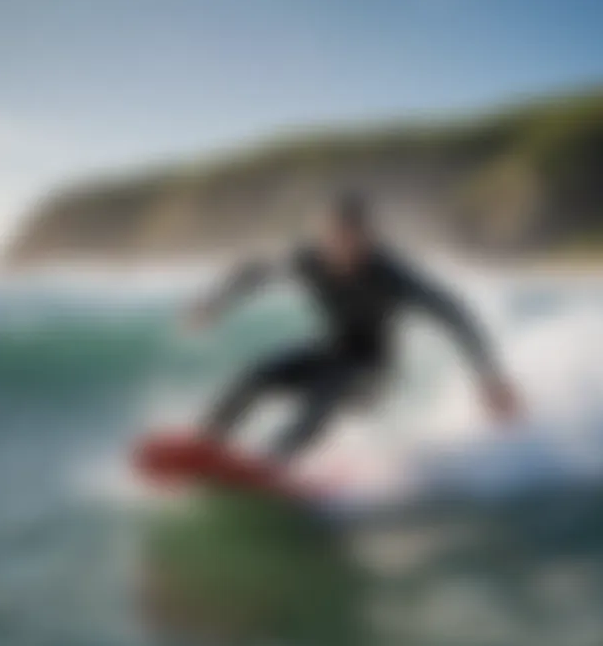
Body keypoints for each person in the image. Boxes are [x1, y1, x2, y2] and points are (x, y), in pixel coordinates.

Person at [184, 191, 520, 460]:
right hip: (332, 352)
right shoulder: (310, 259)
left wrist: (490, 377)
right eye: (330, 236)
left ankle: (273, 463)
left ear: (366, 237)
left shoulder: (392, 275)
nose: (338, 246)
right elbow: (254, 270)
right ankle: (203, 445)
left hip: (372, 374)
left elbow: (454, 313)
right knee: (258, 375)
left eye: (347, 237)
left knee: (326, 390)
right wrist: (214, 304)